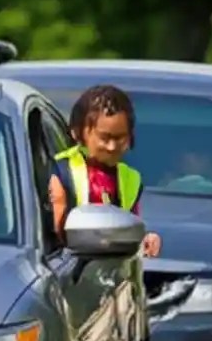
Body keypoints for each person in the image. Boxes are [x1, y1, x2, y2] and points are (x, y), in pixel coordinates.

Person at [48, 84, 161, 256]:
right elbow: (55, 234)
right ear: (77, 132)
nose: (112, 146)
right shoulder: (60, 171)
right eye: (104, 137)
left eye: (120, 137)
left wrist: (143, 240)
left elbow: (129, 226)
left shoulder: (130, 178)